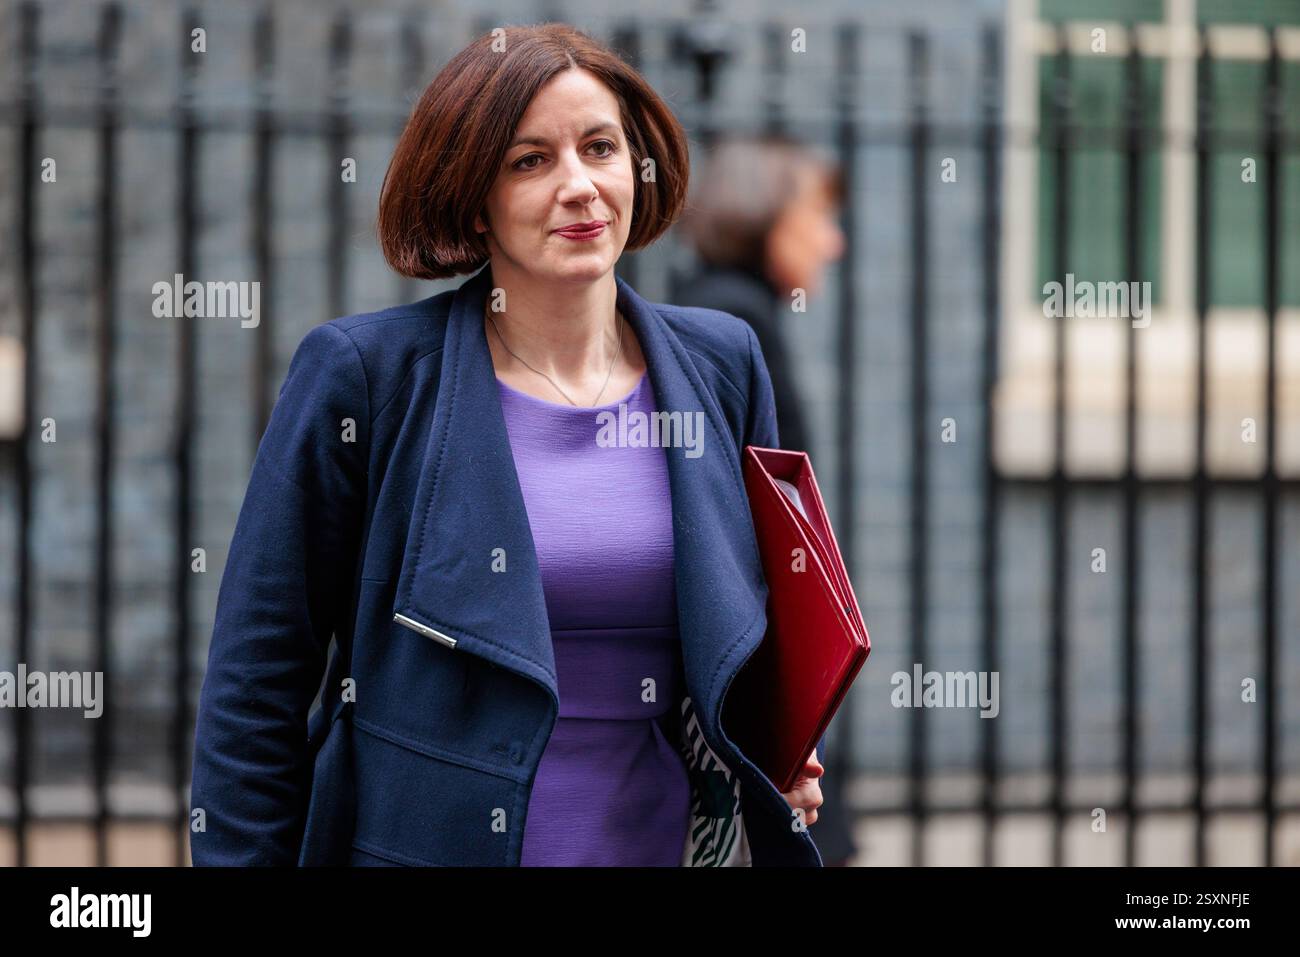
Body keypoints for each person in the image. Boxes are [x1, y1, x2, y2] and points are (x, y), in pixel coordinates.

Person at [189, 23, 827, 867]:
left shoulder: (723, 363)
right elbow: (255, 689)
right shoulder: (365, 379)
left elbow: (762, 632)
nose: (579, 186)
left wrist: (774, 754)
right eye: (530, 161)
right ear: (472, 196)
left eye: (600, 148)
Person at [671, 135, 857, 865]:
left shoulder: (724, 311)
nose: (832, 242)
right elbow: (769, 523)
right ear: (766, 219)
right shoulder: (734, 327)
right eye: (816, 216)